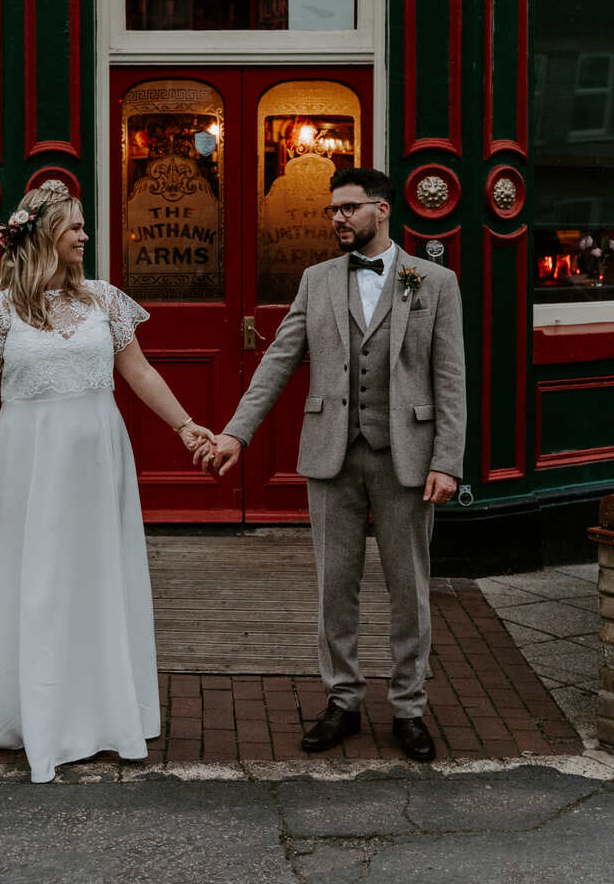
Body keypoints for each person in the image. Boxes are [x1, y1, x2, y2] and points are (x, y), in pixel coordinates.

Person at [197, 167, 466, 762]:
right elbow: (278, 359)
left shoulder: (434, 282)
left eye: (349, 208)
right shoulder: (316, 280)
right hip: (331, 453)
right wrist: (237, 432)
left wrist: (448, 460)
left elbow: (450, 379)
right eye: (332, 211)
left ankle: (409, 708)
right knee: (334, 589)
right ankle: (342, 699)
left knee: (409, 589)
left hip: (408, 457)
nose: (338, 218)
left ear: (382, 210)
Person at [0, 185, 214, 782]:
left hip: (97, 457)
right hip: (28, 462)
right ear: (44, 233)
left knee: (98, 574)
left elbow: (140, 371)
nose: (85, 235)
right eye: (74, 226)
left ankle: (103, 709)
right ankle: (39, 713)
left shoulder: (104, 301)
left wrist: (184, 426)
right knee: (40, 580)